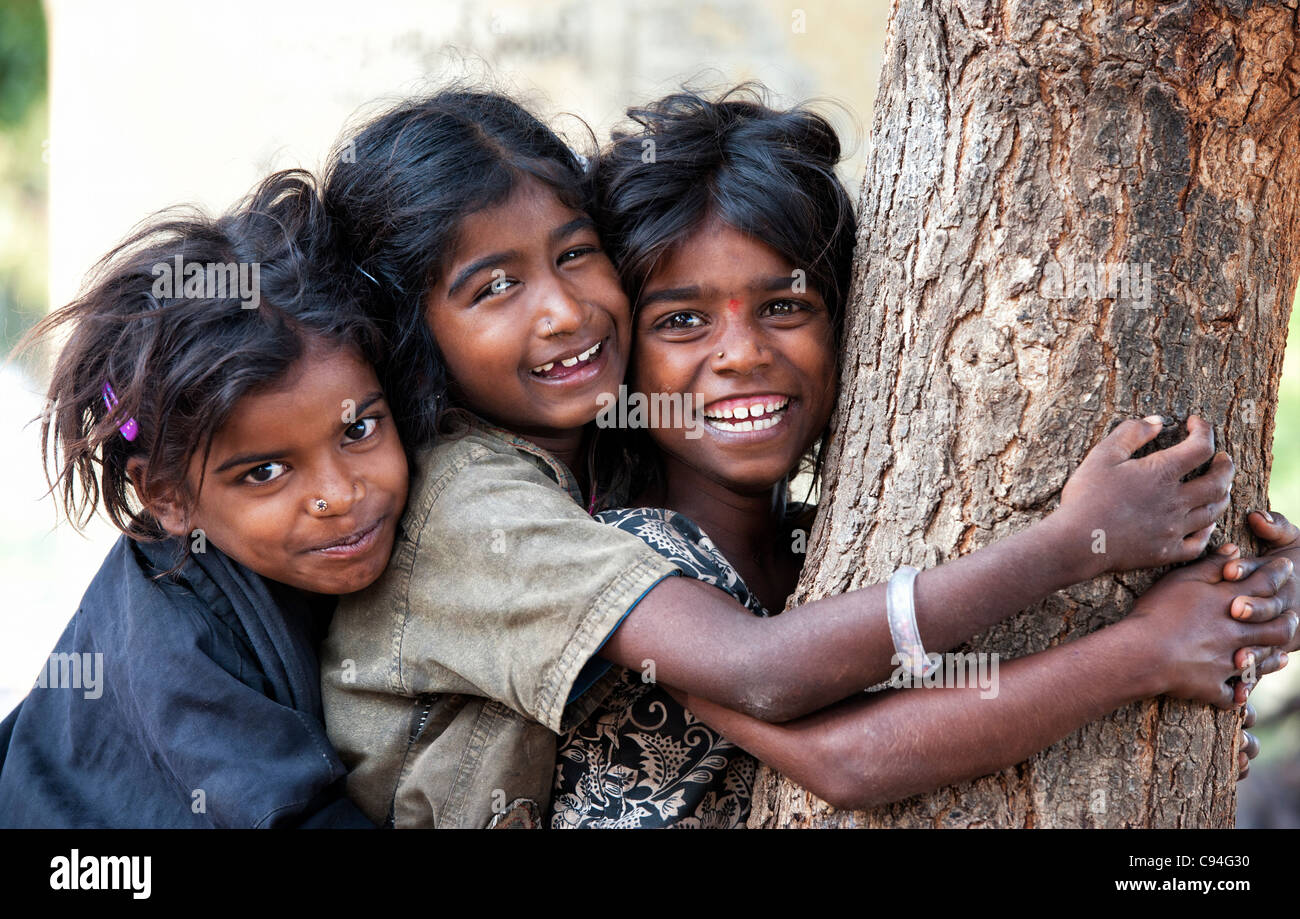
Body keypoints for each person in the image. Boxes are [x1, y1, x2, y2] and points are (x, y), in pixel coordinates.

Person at [318, 88, 1287, 829]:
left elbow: (946, 689)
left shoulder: (824, 550)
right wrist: (1136, 639)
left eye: (785, 306)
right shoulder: (626, 552)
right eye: (683, 318)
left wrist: (1234, 605)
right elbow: (845, 756)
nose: (740, 351)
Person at [0, 170, 409, 827]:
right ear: (169, 498)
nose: (339, 493)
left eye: (358, 428)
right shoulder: (176, 638)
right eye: (267, 471)